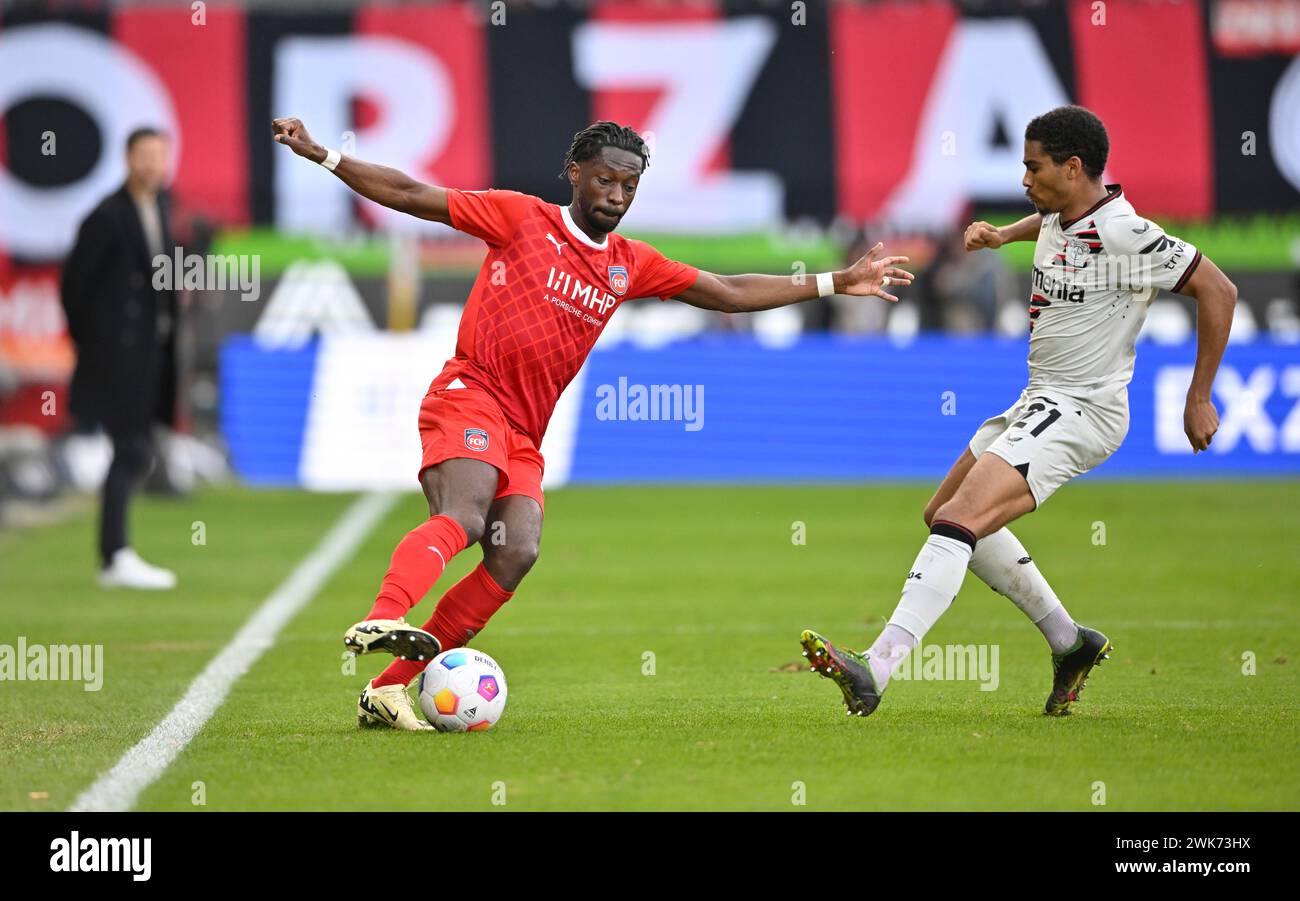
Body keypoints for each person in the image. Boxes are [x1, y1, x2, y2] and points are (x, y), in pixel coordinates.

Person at [271, 117, 914, 730]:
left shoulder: (628, 263)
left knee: (515, 551)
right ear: (575, 174)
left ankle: (386, 690)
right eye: (606, 179)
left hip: (524, 432)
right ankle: (383, 616)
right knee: (467, 518)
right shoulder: (521, 217)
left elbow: (726, 291)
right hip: (470, 394)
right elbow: (414, 195)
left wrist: (835, 281)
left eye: (630, 186)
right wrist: (325, 155)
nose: (617, 195)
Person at [801, 105, 1238, 717]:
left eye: (1034, 167)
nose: (1024, 179)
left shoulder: (1125, 233)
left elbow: (1219, 289)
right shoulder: (1066, 214)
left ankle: (876, 667)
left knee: (960, 523)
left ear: (1074, 166)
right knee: (942, 514)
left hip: (1083, 407)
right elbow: (1052, 227)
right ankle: (1070, 643)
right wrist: (1004, 235)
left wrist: (1199, 396)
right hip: (1041, 398)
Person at [61, 127, 179, 590]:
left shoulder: (162, 207)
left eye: (159, 155)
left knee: (136, 447)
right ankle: (114, 554)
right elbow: (74, 287)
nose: (152, 164)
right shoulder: (107, 216)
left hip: (151, 352)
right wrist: (97, 343)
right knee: (129, 448)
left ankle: (117, 554)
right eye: (144, 155)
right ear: (128, 159)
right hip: (117, 357)